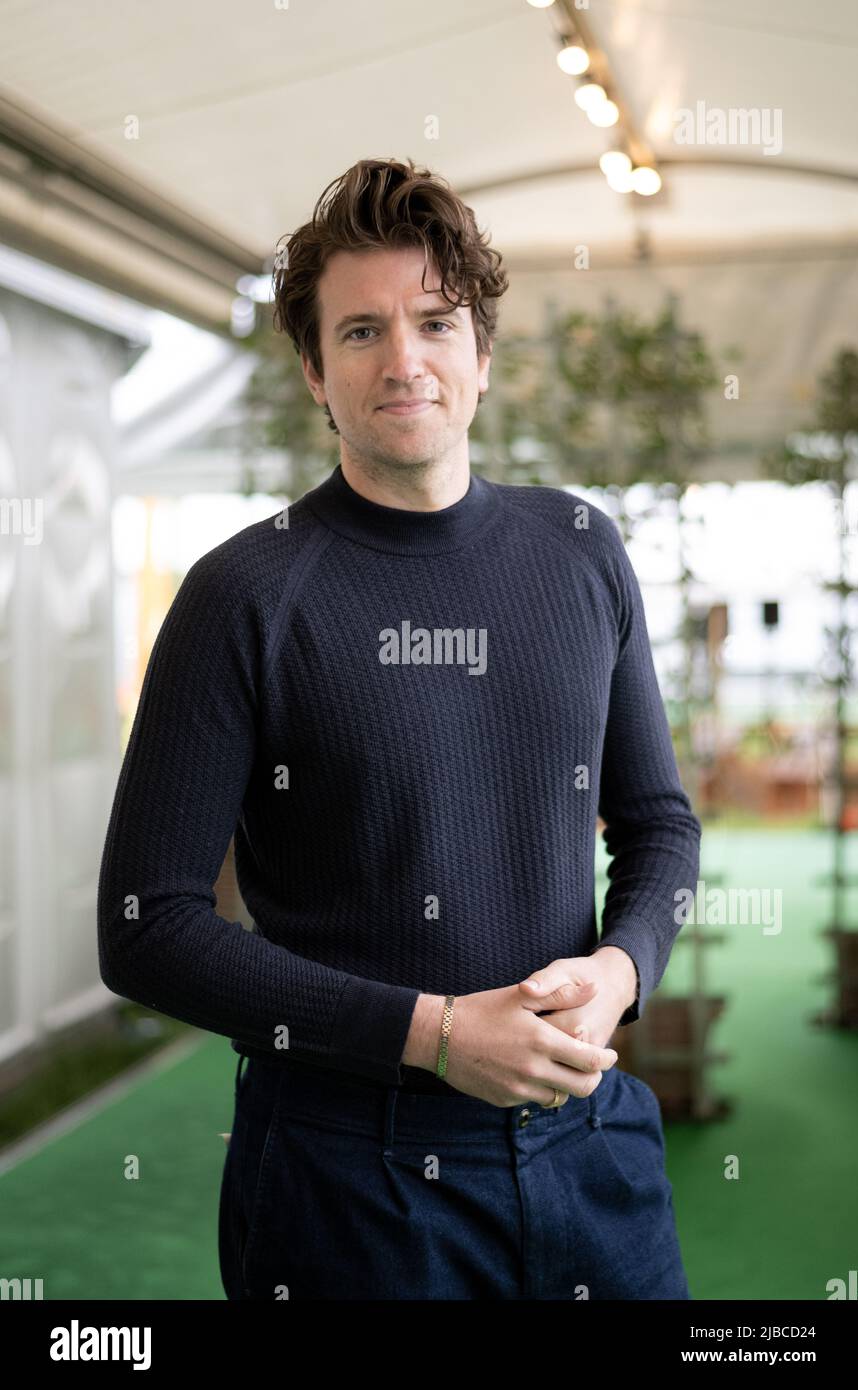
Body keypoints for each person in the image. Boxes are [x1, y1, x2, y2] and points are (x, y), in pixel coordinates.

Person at [97, 157, 701, 1301]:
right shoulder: (245, 595)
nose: (404, 359)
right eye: (362, 330)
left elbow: (660, 826)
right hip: (348, 1187)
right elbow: (147, 927)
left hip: (589, 1150)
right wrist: (430, 1033)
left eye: (434, 322)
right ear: (316, 371)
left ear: (480, 356)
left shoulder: (580, 550)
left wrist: (622, 970)